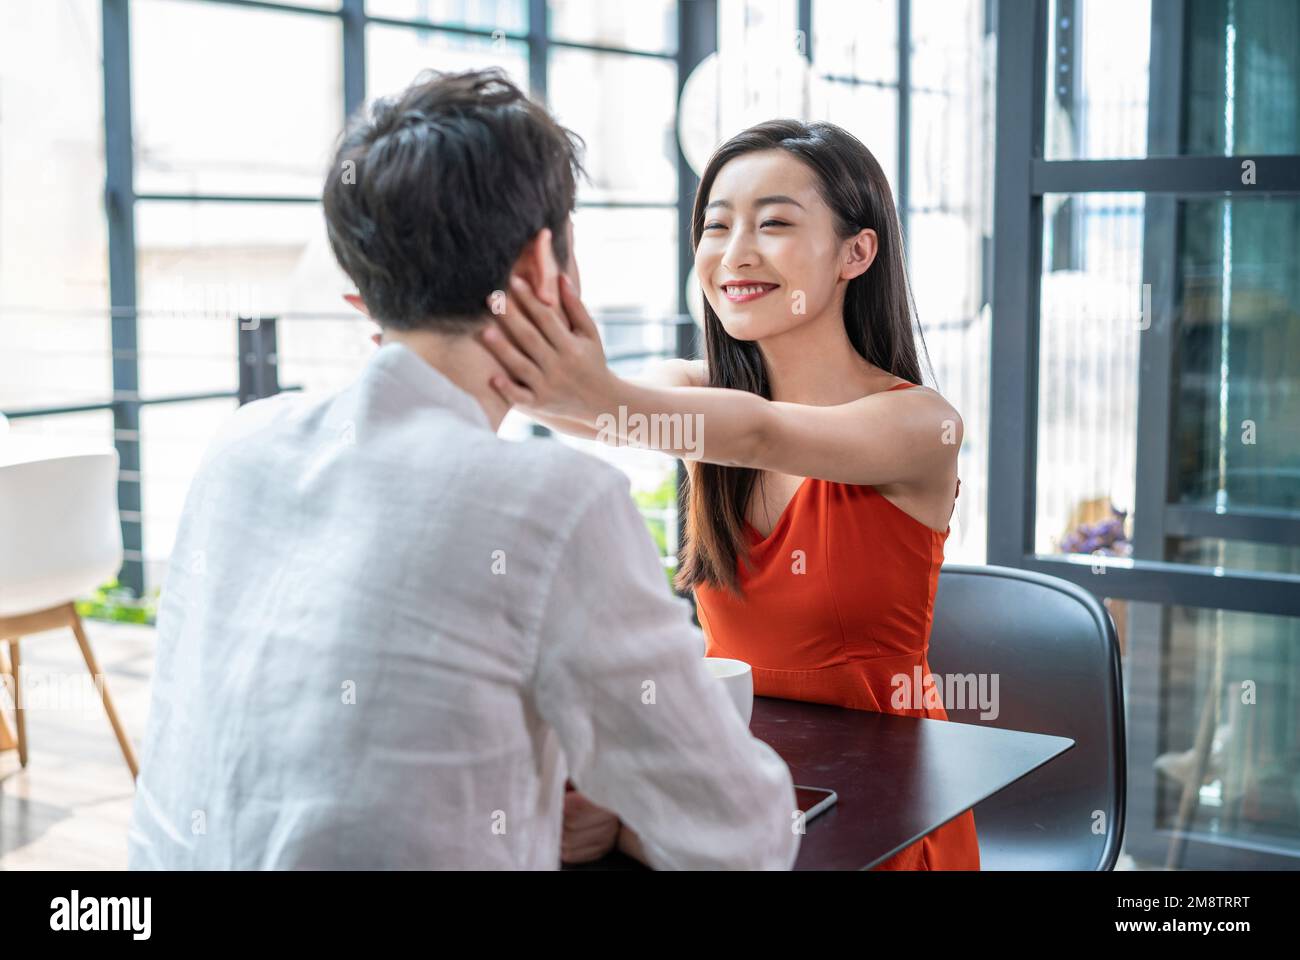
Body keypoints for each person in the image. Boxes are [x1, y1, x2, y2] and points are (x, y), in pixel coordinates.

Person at [126, 69, 800, 871]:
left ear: (366, 294)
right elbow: (741, 835)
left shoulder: (239, 447)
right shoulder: (550, 503)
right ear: (543, 268)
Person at [480, 119, 980, 870]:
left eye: (774, 223)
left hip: (890, 806)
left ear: (857, 252)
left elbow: (757, 434)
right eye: (716, 226)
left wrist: (582, 381)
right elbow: (587, 411)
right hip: (736, 781)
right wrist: (469, 328)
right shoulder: (697, 396)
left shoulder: (920, 424)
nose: (735, 253)